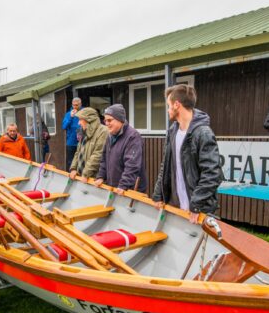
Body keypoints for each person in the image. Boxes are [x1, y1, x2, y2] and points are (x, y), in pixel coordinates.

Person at [152, 84, 223, 224]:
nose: (167, 110)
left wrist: (196, 204)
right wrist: (158, 194)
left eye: (168, 105)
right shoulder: (173, 131)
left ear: (177, 104)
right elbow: (165, 166)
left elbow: (213, 174)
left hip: (197, 211)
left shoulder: (203, 133)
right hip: (176, 205)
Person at [94, 104, 147, 195]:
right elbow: (104, 160)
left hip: (129, 190)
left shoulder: (133, 137)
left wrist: (123, 185)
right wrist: (101, 176)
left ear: (120, 120)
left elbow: (132, 165)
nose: (106, 123)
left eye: (110, 120)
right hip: (115, 188)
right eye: (105, 120)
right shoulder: (110, 136)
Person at [68, 107, 108, 180]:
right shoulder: (83, 131)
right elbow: (78, 152)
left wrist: (85, 174)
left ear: (89, 120)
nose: (78, 123)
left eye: (80, 120)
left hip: (94, 179)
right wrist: (73, 168)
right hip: (81, 176)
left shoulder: (103, 131)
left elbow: (98, 155)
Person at [62, 97, 82, 169]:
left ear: (80, 104)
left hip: (83, 142)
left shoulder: (84, 113)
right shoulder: (68, 114)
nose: (75, 107)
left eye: (77, 105)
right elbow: (64, 127)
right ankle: (70, 176)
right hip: (71, 142)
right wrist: (70, 117)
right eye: (73, 105)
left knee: (82, 161)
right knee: (71, 161)